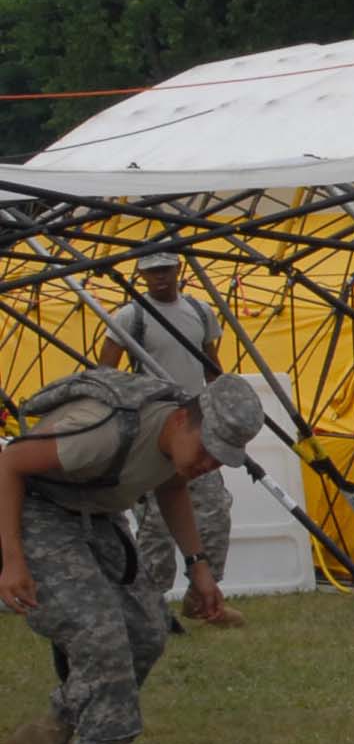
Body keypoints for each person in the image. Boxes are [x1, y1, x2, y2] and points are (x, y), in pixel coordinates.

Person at [1, 370, 265, 744]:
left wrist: (198, 567)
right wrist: (12, 560)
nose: (209, 464)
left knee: (146, 632)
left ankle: (48, 736)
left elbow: (171, 483)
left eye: (220, 460)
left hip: (98, 515)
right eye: (206, 450)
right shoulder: (104, 432)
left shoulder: (178, 445)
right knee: (99, 634)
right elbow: (10, 463)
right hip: (38, 510)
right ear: (182, 420)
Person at [99, 250, 245, 628]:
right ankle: (154, 608)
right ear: (141, 275)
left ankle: (203, 600)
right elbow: (105, 375)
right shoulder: (131, 317)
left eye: (164, 269)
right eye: (150, 272)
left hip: (198, 429)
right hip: (153, 434)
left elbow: (213, 369)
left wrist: (222, 416)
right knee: (154, 530)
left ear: (178, 269)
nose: (158, 278)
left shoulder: (200, 312)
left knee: (214, 516)